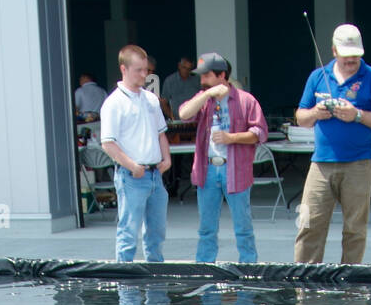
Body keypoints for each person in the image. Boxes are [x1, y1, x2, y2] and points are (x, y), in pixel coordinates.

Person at [294, 24, 371, 263]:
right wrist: (316, 113)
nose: (351, 60)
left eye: (356, 55)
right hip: (321, 164)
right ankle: (305, 282)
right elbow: (301, 117)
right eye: (346, 55)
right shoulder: (318, 77)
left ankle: (350, 286)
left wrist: (357, 115)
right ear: (333, 51)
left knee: (355, 230)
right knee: (309, 225)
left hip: (359, 165)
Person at [178, 52, 267, 264]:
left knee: (243, 226)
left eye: (206, 76)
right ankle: (205, 265)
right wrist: (205, 95)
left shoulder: (245, 100)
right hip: (207, 169)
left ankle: (248, 265)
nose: (202, 81)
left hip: (235, 170)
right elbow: (183, 114)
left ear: (222, 75)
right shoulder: (204, 101)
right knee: (206, 228)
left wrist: (231, 137)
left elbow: (260, 133)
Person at [100, 44, 172, 262]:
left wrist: (166, 158)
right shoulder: (114, 103)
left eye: (146, 70)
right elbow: (108, 143)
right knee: (128, 233)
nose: (144, 74)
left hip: (154, 174)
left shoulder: (150, 99)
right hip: (132, 175)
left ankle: (155, 280)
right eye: (139, 70)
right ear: (124, 69)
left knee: (157, 233)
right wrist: (132, 166)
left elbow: (161, 133)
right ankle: (126, 284)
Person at [160, 57, 200, 121]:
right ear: (179, 66)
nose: (186, 71)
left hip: (195, 121)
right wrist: (172, 117)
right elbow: (163, 102)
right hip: (178, 122)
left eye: (189, 69)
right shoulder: (170, 81)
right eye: (184, 67)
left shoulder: (197, 80)